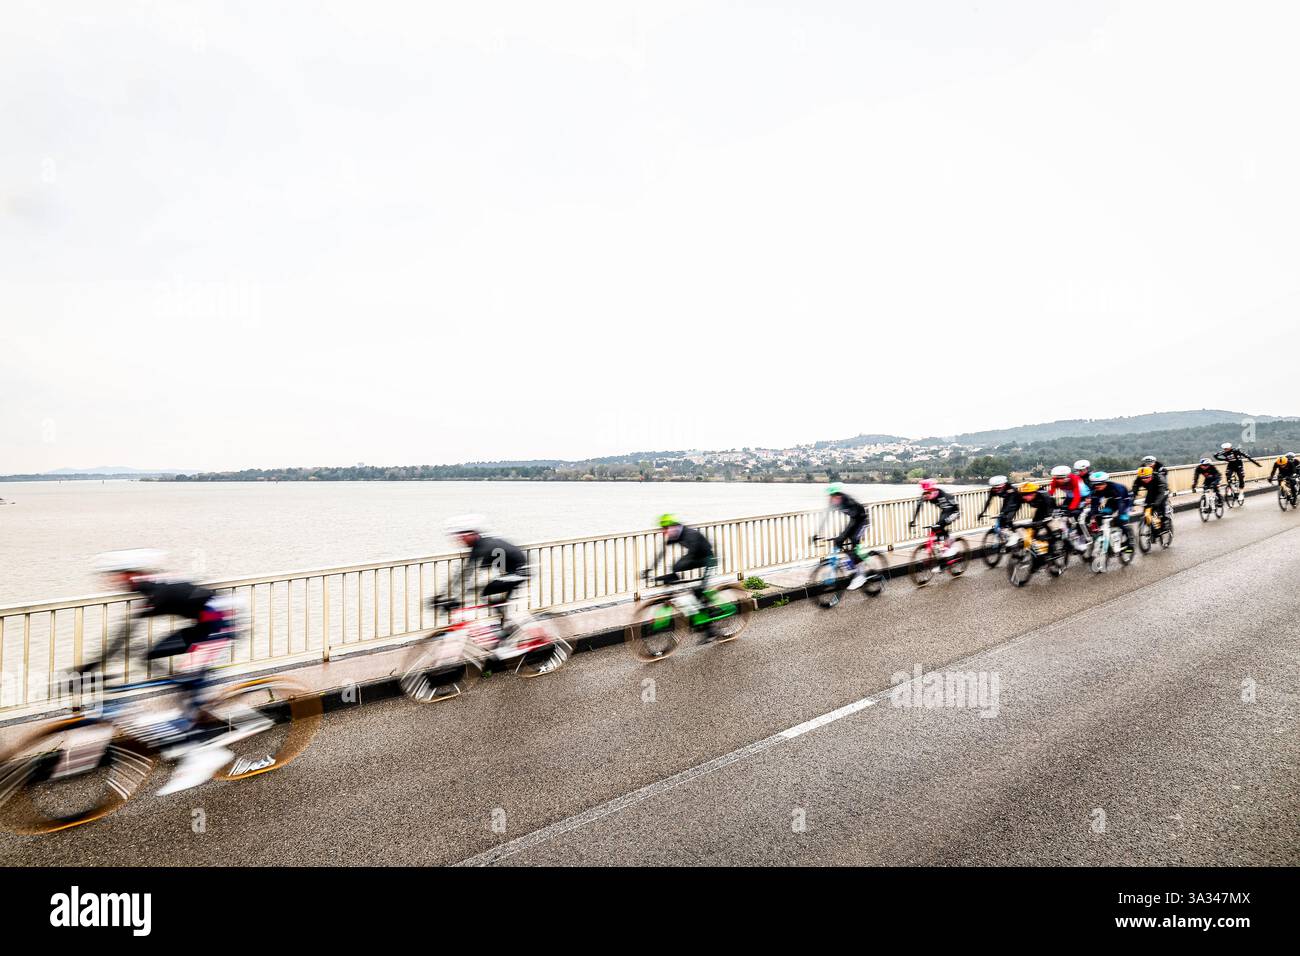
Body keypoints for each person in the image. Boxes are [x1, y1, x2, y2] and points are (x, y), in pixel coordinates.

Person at [90, 549, 244, 795]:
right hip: (203, 623)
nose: (112, 581)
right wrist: (94, 664)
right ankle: (191, 699)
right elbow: (124, 637)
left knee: (190, 674)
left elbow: (124, 636)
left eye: (118, 575)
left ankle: (206, 753)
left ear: (132, 574)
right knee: (151, 655)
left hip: (221, 622)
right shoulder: (146, 588)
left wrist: (92, 665)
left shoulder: (154, 590)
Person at [441, 514, 530, 633]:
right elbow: (462, 573)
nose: (459, 540)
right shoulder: (479, 545)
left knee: (485, 591)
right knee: (487, 593)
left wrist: (454, 598)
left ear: (472, 534)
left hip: (519, 572)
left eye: (462, 536)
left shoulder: (484, 547)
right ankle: (505, 624)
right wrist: (443, 595)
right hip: (512, 571)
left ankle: (506, 625)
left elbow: (469, 574)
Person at [643, 514, 720, 641]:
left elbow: (693, 551)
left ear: (674, 526)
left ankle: (710, 628)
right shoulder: (675, 535)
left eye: (665, 529)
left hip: (708, 559)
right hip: (696, 559)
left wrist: (681, 566)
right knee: (676, 568)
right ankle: (697, 608)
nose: (664, 532)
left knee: (699, 590)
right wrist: (650, 569)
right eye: (662, 529)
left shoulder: (690, 534)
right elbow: (661, 553)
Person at [813, 483, 873, 590]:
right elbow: (825, 517)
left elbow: (854, 522)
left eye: (836, 496)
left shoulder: (848, 501)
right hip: (854, 521)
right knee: (844, 545)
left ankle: (860, 576)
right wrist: (818, 533)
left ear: (840, 495)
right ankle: (854, 565)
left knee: (854, 540)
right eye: (831, 496)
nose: (833, 499)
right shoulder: (833, 502)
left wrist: (842, 536)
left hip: (862, 521)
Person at [1086, 471, 1134, 550]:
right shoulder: (1095, 490)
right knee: (1102, 514)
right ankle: (1107, 535)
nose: (1097, 486)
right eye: (1095, 484)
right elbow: (1094, 504)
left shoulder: (1116, 488)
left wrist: (1121, 514)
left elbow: (1121, 503)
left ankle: (1130, 538)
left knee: (1121, 519)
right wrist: (1092, 515)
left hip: (1125, 500)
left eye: (1100, 484)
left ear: (1106, 482)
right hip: (1112, 500)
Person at [908, 480, 960, 552]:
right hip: (945, 511)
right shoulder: (925, 495)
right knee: (936, 528)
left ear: (934, 490)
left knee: (940, 525)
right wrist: (913, 520)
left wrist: (944, 521)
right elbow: (918, 507)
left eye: (929, 492)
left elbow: (954, 507)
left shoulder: (943, 495)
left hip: (953, 512)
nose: (926, 495)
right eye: (925, 492)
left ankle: (949, 545)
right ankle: (942, 544)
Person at [1049, 464, 1090, 552]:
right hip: (1069, 497)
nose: (1058, 481)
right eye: (1057, 478)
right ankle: (1068, 534)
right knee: (1061, 515)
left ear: (1067, 477)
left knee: (1077, 516)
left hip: (1082, 497)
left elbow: (1077, 497)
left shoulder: (1074, 479)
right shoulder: (1055, 480)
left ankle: (1082, 539)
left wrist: (1071, 510)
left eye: (1061, 478)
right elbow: (1050, 494)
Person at [1015, 481, 1061, 552]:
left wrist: (1045, 520)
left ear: (1034, 493)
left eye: (1027, 494)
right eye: (1023, 494)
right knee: (1033, 526)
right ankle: (1036, 547)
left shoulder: (1045, 496)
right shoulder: (1023, 497)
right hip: (1040, 509)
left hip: (1050, 509)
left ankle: (1052, 545)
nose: (1024, 497)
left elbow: (1049, 510)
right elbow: (1014, 507)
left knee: (1047, 526)